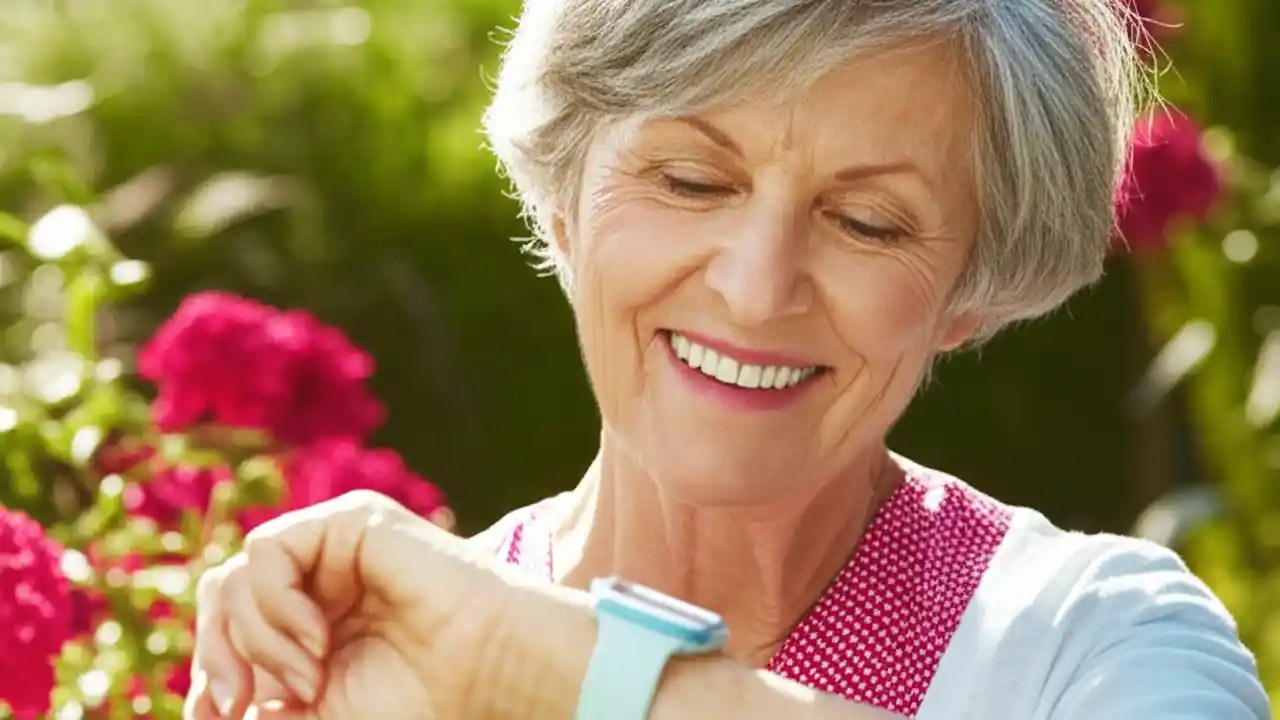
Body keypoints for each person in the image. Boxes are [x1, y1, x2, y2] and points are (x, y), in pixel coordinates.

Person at [182, 1, 1272, 718]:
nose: (756, 287)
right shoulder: (374, 671)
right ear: (562, 202)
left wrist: (549, 672)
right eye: (691, 183)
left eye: (868, 223)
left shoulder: (1094, 643)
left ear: (968, 298)